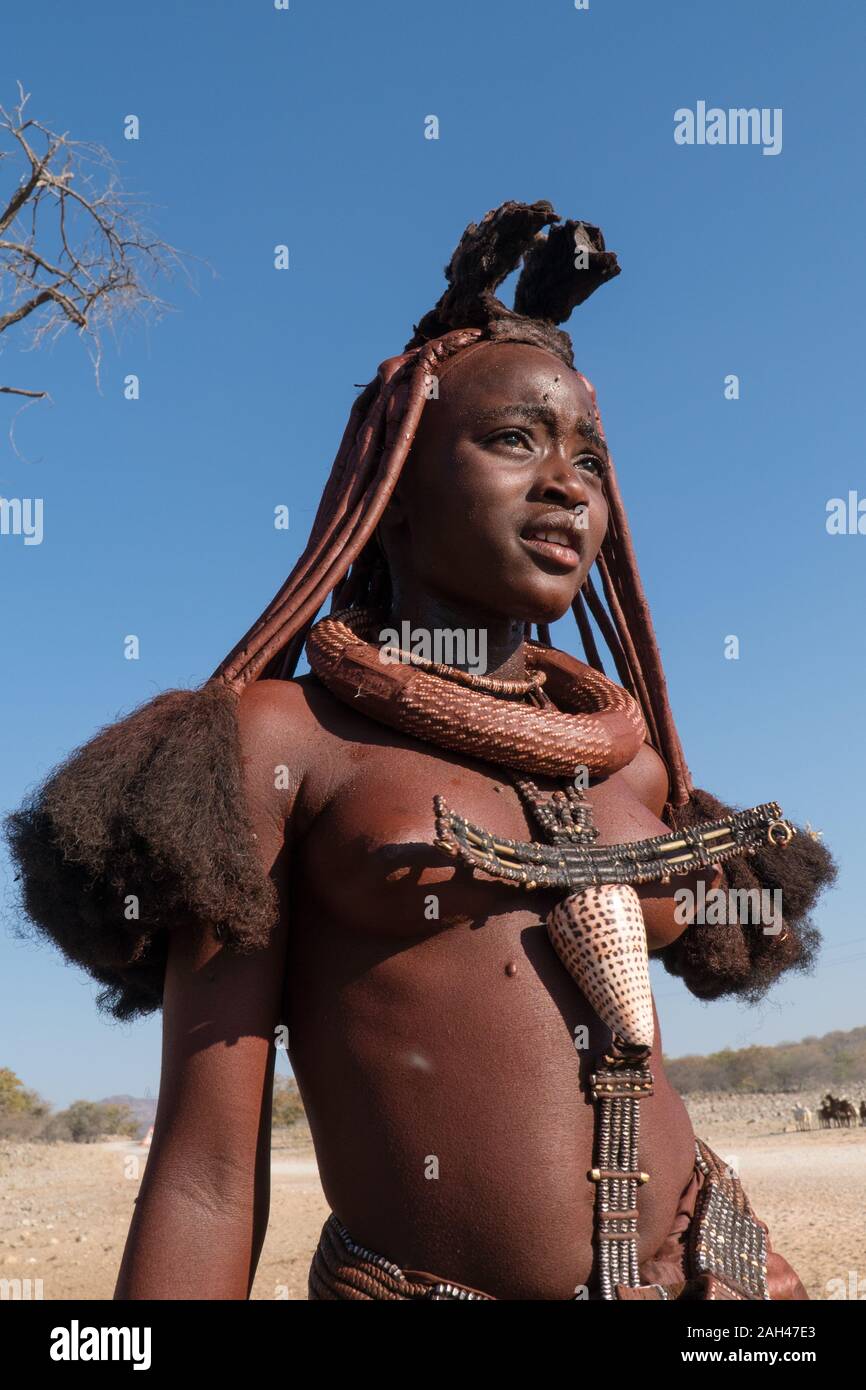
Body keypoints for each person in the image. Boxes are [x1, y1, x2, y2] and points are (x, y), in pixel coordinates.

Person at [6, 201, 835, 1301]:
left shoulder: (628, 762)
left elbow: (725, 945)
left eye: (587, 454)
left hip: (723, 1280)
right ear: (390, 495)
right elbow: (207, 1171)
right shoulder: (283, 745)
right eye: (511, 440)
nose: (567, 482)